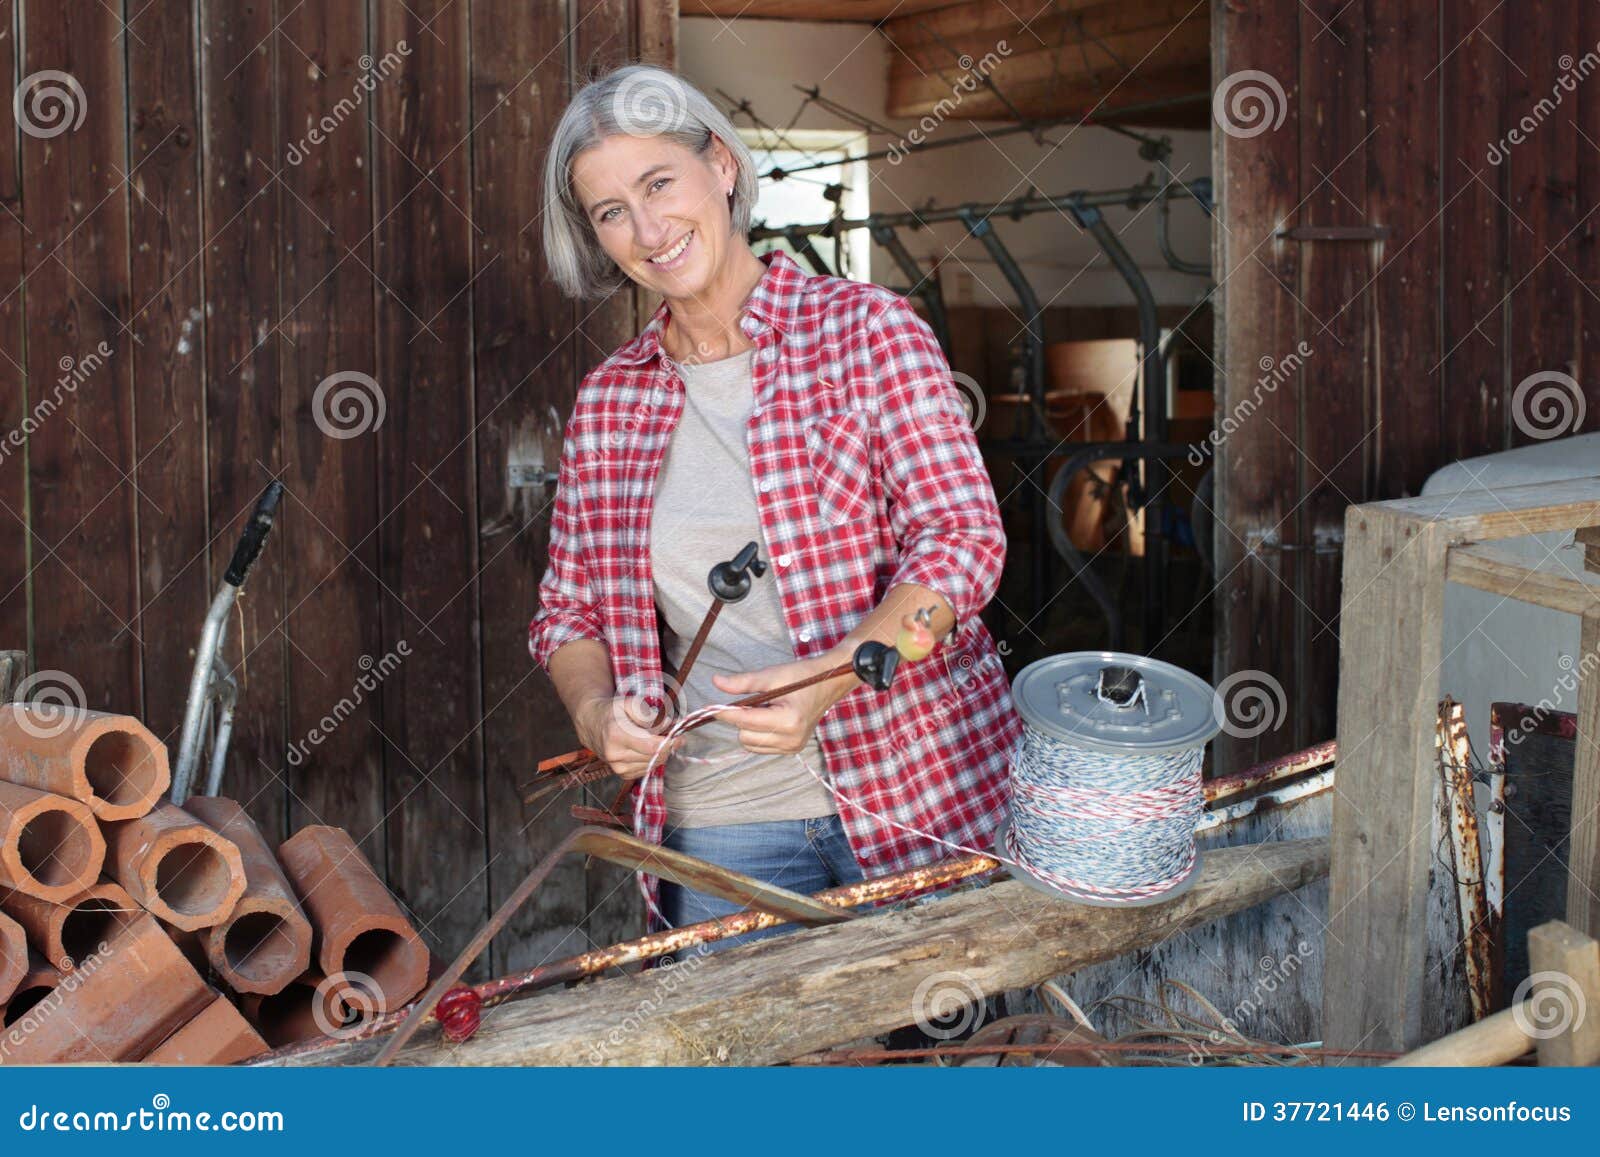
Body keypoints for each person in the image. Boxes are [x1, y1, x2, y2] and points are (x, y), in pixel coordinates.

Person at [531, 63, 1020, 949]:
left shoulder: (868, 332)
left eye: (657, 183)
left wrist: (835, 675)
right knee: (743, 1072)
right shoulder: (610, 401)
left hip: (917, 786)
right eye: (610, 212)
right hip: (722, 824)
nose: (646, 230)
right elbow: (566, 612)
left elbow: (961, 541)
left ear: (719, 164)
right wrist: (596, 713)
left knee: (961, 1061)